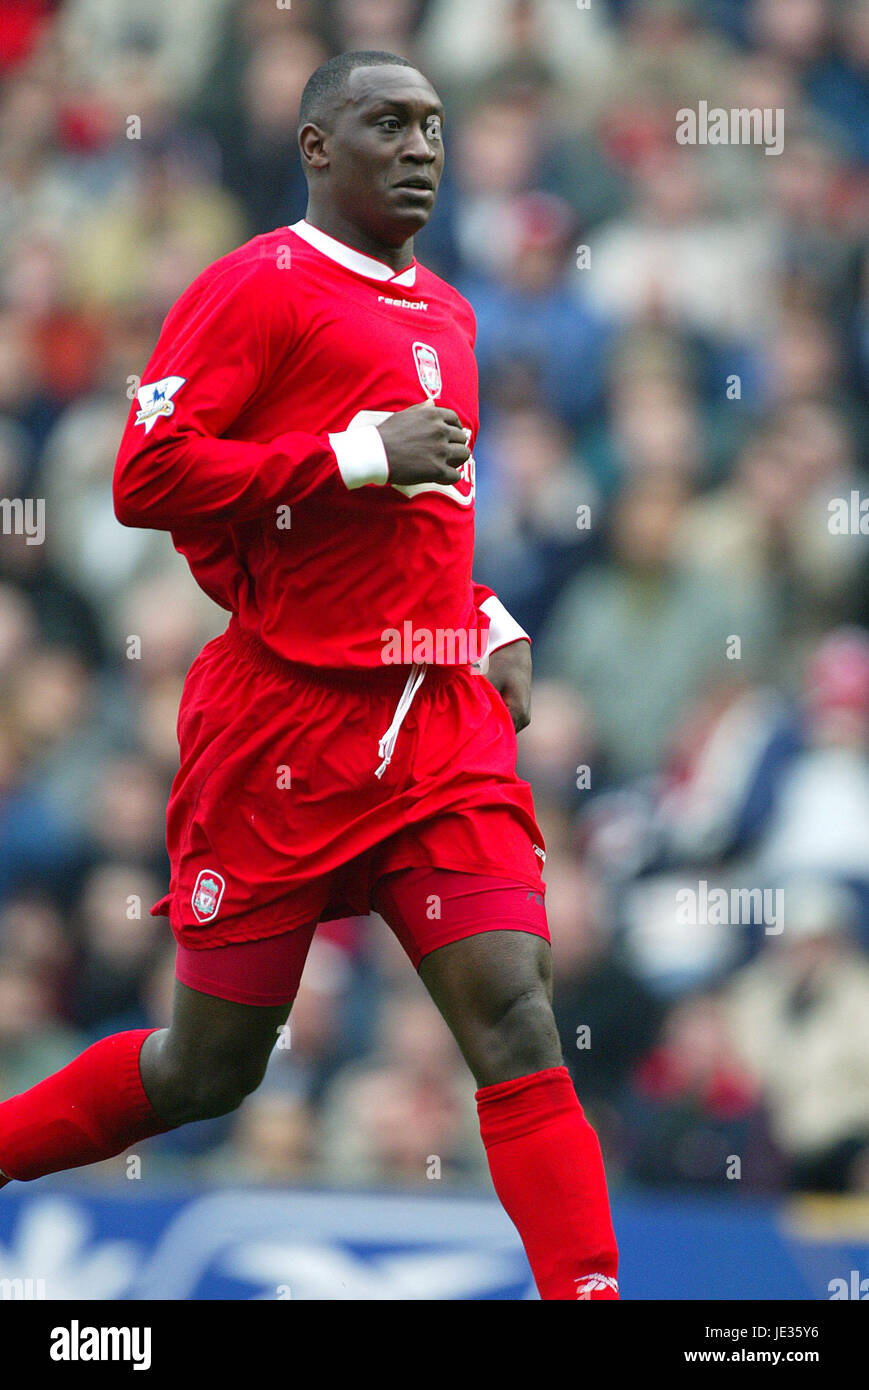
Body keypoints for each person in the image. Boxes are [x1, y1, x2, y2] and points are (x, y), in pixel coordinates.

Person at [0, 50, 618, 1302]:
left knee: (515, 1015)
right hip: (281, 731)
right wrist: (350, 452)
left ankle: (593, 1296)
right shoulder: (253, 289)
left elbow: (427, 516)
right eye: (388, 123)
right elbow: (145, 477)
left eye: (435, 127)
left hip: (433, 720)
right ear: (317, 146)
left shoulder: (447, 311)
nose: (422, 148)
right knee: (208, 1070)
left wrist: (484, 611)